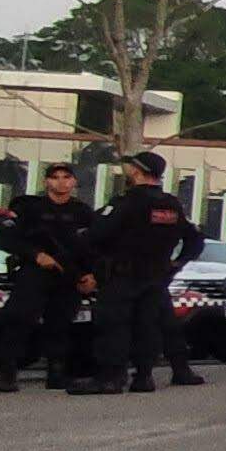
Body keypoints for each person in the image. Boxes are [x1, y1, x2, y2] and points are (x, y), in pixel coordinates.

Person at [71, 150, 206, 395]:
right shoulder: (171, 204)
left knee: (114, 325)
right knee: (148, 326)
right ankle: (144, 377)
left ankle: (111, 378)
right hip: (156, 276)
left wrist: (90, 257)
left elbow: (96, 234)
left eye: (131, 167)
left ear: (137, 171)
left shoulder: (128, 202)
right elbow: (194, 238)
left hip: (123, 276)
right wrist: (177, 264)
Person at [0, 162, 92, 391]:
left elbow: (94, 247)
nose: (61, 182)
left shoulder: (82, 212)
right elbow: (5, 239)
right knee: (19, 320)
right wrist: (35, 254)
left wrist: (90, 274)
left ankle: (57, 373)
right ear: (46, 182)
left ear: (74, 182)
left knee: (60, 324)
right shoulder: (30, 208)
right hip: (35, 273)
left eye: (66, 177)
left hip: (68, 275)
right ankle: (8, 371)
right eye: (55, 177)